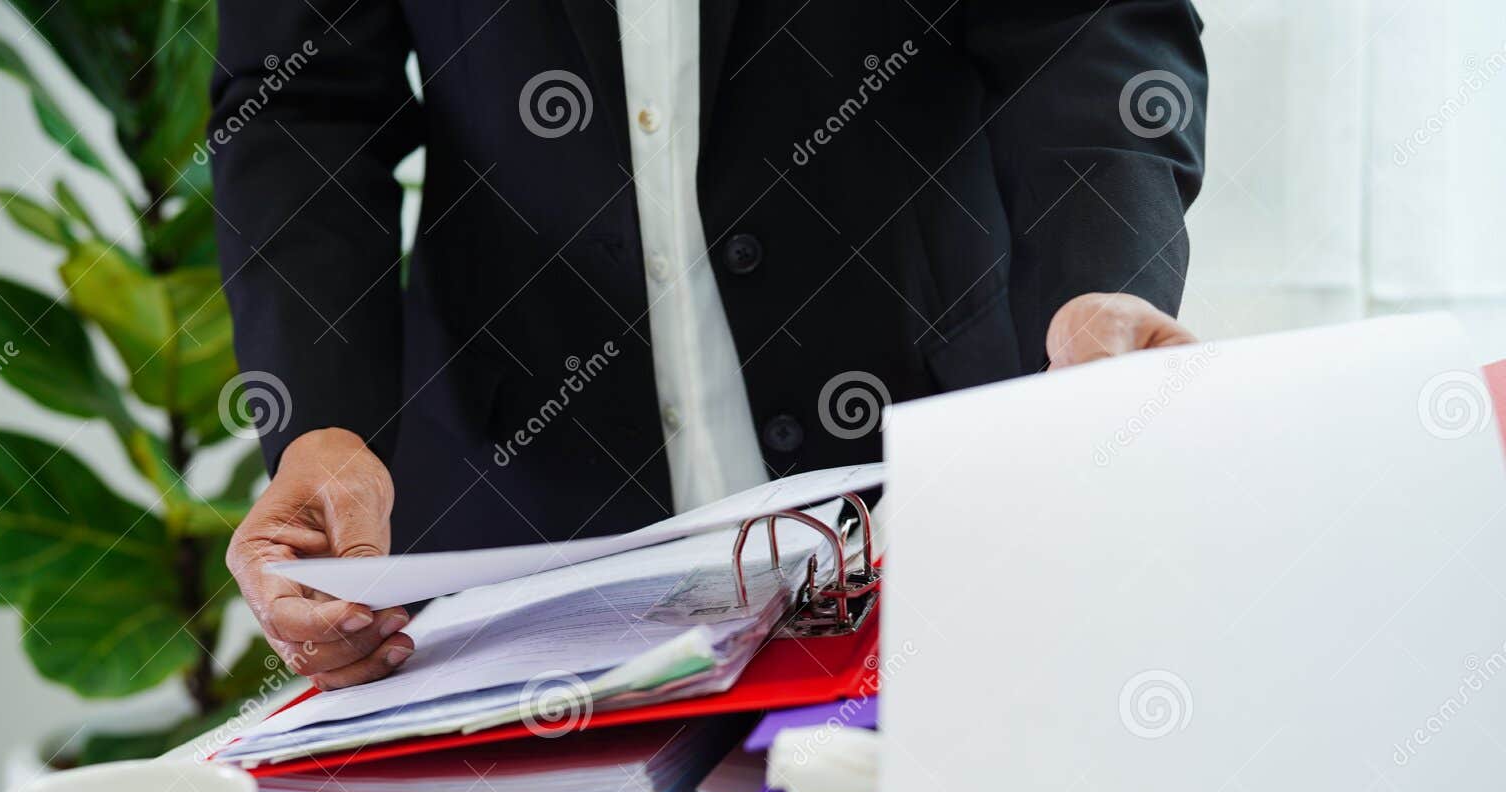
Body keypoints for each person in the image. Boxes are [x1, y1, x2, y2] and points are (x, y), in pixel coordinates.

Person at [212, 0, 1207, 689]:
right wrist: (321, 422)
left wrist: (1099, 286)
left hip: (927, 467)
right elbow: (301, 103)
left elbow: (1080, 24)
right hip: (516, 511)